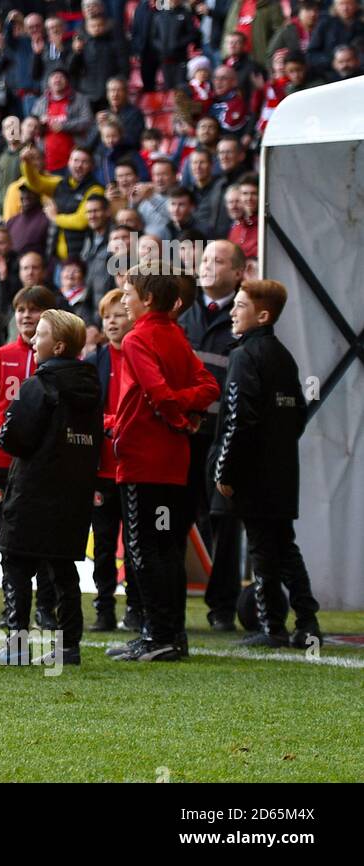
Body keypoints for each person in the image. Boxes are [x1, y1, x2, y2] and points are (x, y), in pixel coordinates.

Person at [108, 264, 219, 663]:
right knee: (166, 546)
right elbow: (208, 386)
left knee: (143, 549)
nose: (123, 302)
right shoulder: (175, 335)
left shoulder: (139, 338)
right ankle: (171, 634)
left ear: (147, 298)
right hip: (172, 463)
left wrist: (176, 416)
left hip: (144, 461)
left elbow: (157, 393)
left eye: (127, 294)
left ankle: (157, 635)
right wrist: (186, 415)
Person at [210, 279, 321, 649]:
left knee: (263, 549)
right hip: (282, 471)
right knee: (283, 545)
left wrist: (225, 471)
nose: (232, 313)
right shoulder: (283, 356)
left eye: (239, 306)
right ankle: (306, 621)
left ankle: (273, 625)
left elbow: (240, 419)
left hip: (254, 475)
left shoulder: (244, 356)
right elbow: (298, 416)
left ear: (262, 315)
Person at [0, 309, 102, 665]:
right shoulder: (91, 386)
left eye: (39, 335)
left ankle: (17, 642)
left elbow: (13, 439)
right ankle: (68, 645)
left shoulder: (39, 384)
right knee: (62, 567)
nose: (31, 340)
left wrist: (6, 430)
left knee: (16, 561)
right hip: (74, 493)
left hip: (33, 490)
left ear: (56, 345)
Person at [0, 286, 60, 630]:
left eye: (34, 310)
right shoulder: (1, 356)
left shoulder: (57, 363)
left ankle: (45, 608)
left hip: (44, 464)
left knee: (44, 537)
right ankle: (15, 607)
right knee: (9, 540)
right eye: (21, 310)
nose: (26, 316)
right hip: (3, 462)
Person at [180, 239, 245, 631]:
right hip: (184, 437)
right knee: (174, 519)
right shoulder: (184, 315)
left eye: (218, 261)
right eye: (205, 259)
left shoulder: (245, 317)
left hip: (222, 440)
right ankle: (164, 604)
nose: (208, 266)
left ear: (239, 273)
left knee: (225, 523)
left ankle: (222, 608)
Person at [86, 290, 141, 632]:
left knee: (136, 543)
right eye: (107, 316)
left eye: (119, 314)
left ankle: (136, 608)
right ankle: (104, 608)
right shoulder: (95, 361)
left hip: (136, 466)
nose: (111, 321)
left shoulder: (141, 356)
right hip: (102, 469)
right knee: (104, 544)